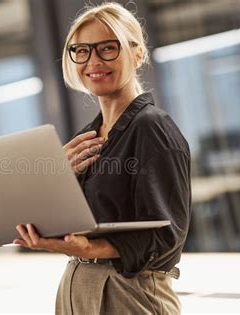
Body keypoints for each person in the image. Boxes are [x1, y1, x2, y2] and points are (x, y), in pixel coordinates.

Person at [13, 2, 191, 314]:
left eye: (108, 48)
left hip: (129, 292)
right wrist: (55, 181)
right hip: (77, 287)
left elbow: (165, 235)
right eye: (81, 50)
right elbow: (77, 223)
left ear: (136, 54)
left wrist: (88, 247)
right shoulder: (89, 138)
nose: (93, 61)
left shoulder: (152, 128)